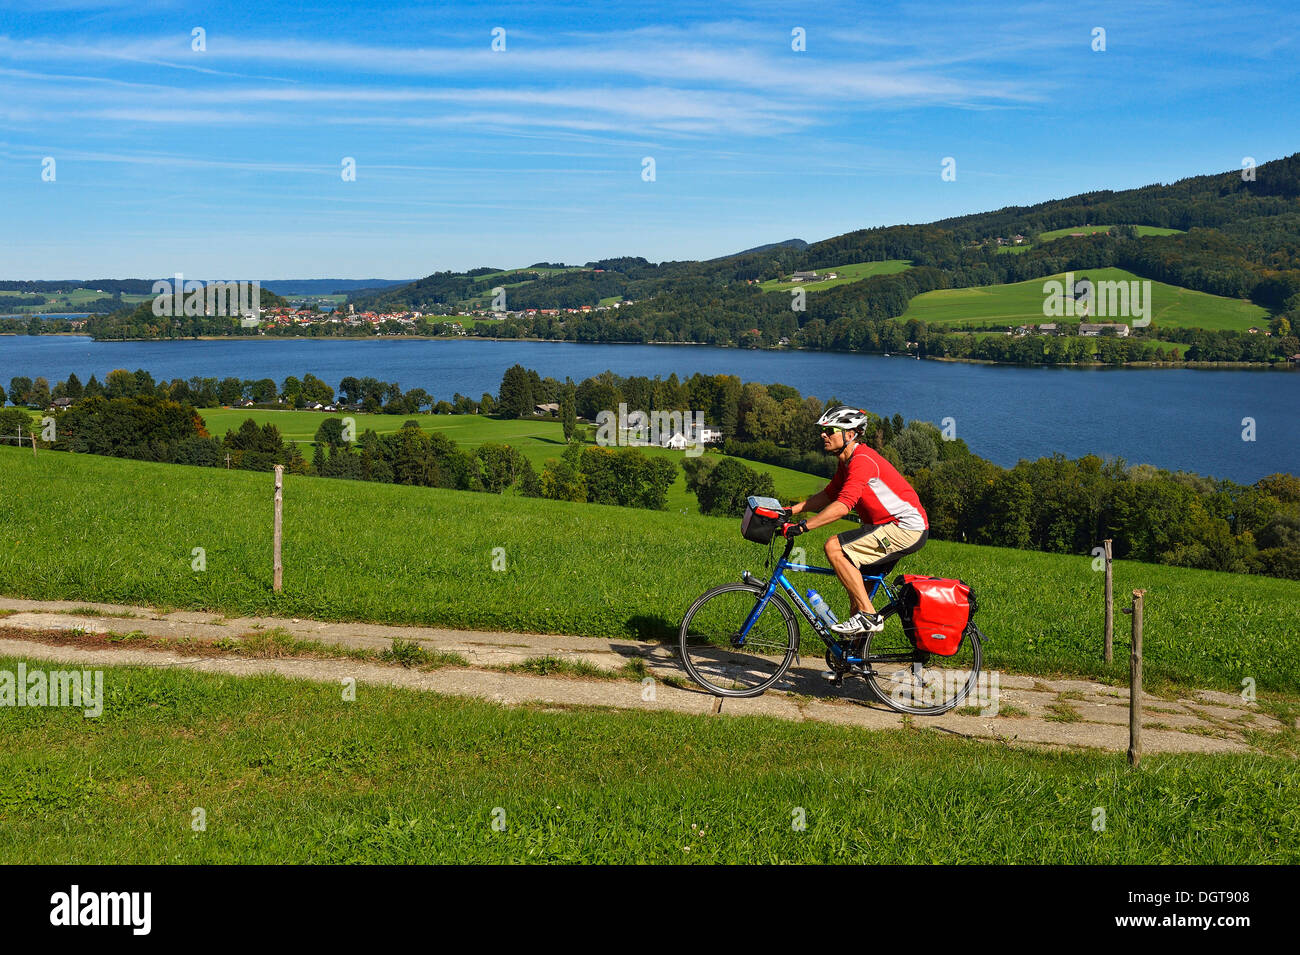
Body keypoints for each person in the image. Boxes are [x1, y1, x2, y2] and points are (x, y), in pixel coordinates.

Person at [779, 406, 929, 636]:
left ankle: (870, 616)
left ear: (849, 434)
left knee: (833, 547)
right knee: (858, 595)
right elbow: (830, 494)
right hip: (885, 527)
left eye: (830, 430)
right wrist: (791, 511)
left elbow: (842, 506)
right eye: (823, 430)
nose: (823, 434)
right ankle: (854, 664)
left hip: (905, 527)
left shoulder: (862, 461)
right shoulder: (846, 461)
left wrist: (803, 527)